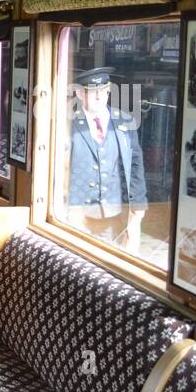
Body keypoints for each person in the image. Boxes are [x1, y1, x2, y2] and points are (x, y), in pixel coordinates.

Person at [67, 66, 148, 253]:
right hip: (77, 215)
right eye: (93, 92)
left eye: (104, 91)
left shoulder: (124, 121)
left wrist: (138, 206)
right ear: (79, 93)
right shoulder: (67, 123)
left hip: (114, 212)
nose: (99, 97)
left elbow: (135, 164)